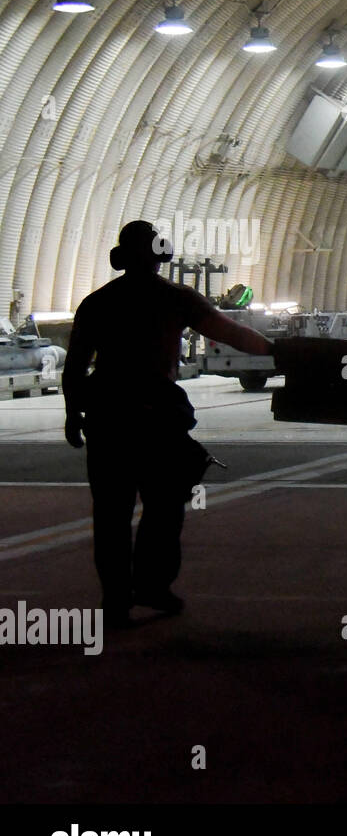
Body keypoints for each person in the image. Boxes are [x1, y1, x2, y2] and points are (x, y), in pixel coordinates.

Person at [62, 221, 274, 628]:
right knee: (163, 508)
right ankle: (152, 585)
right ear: (161, 254)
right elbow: (231, 334)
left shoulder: (96, 303)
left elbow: (74, 368)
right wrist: (277, 351)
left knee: (111, 515)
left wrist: (73, 415)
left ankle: (116, 601)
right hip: (157, 421)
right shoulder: (176, 299)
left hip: (107, 421)